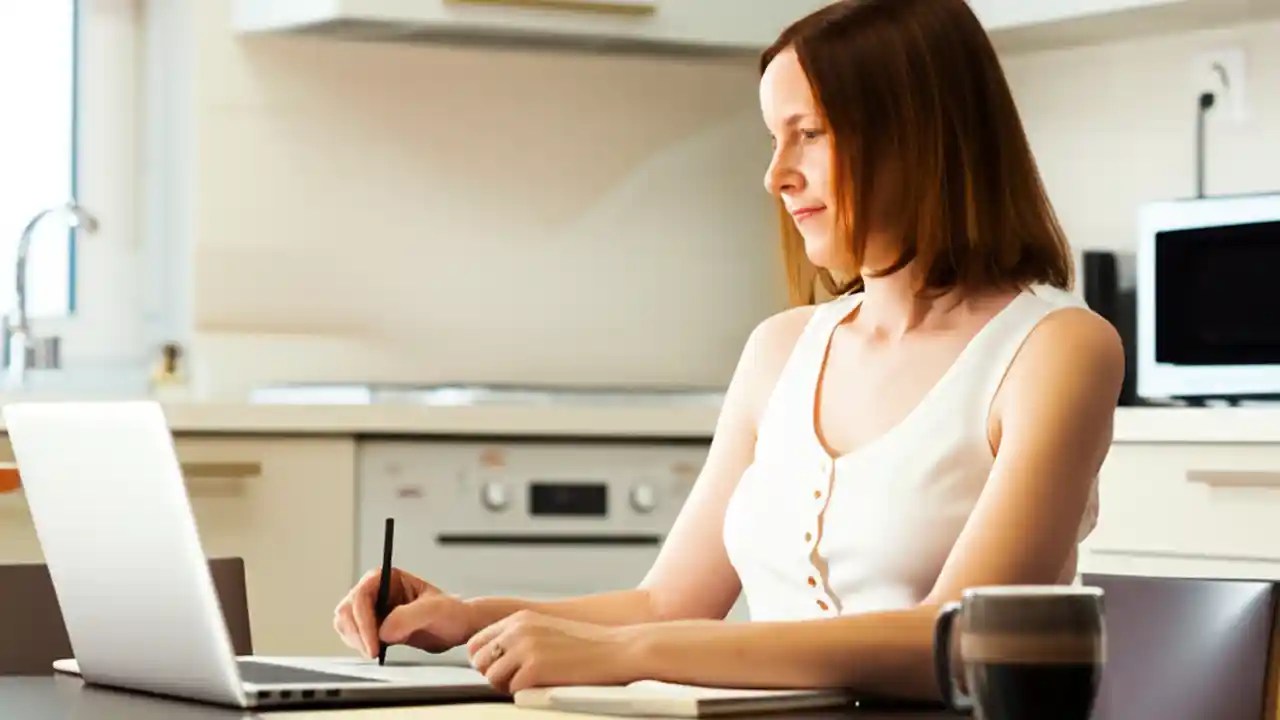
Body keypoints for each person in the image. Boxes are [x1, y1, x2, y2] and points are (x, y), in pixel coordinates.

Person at [333, 0, 1123, 701]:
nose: (777, 175)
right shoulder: (782, 349)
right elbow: (667, 603)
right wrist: (470, 618)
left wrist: (629, 655)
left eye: (808, 134)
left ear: (918, 137)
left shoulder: (1056, 350)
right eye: (775, 139)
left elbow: (954, 642)